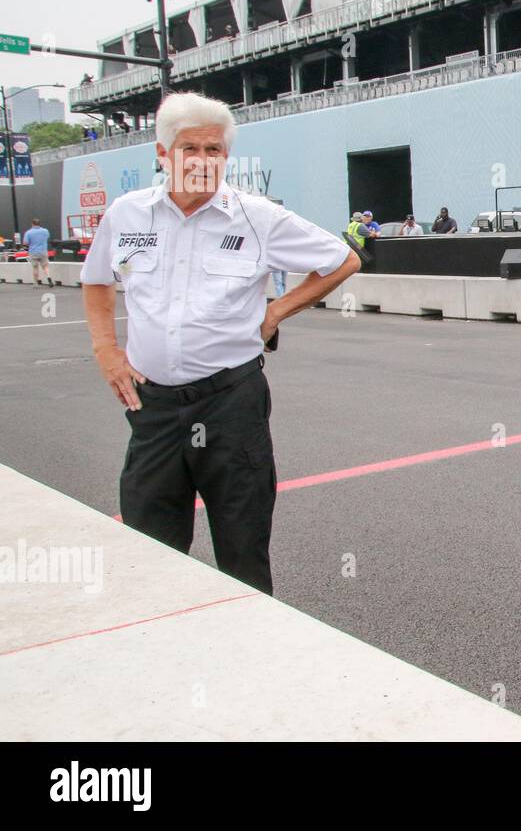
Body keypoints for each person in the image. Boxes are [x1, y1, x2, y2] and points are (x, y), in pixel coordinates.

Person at [80, 92, 361, 595]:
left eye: (215, 150)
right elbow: (97, 280)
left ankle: (248, 658)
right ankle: (160, 647)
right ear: (163, 155)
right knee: (149, 548)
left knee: (242, 546)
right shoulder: (127, 215)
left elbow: (343, 259)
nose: (204, 161)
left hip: (232, 404)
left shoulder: (256, 217)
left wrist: (275, 311)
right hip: (154, 408)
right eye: (191, 149)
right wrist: (106, 351)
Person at [23, 218, 53, 288]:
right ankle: (49, 278)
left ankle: (36, 283)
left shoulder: (28, 232)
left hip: (33, 252)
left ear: (32, 224)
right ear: (39, 224)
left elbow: (25, 243)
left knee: (35, 267)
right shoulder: (45, 231)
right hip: (43, 251)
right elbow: (47, 237)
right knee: (45, 266)